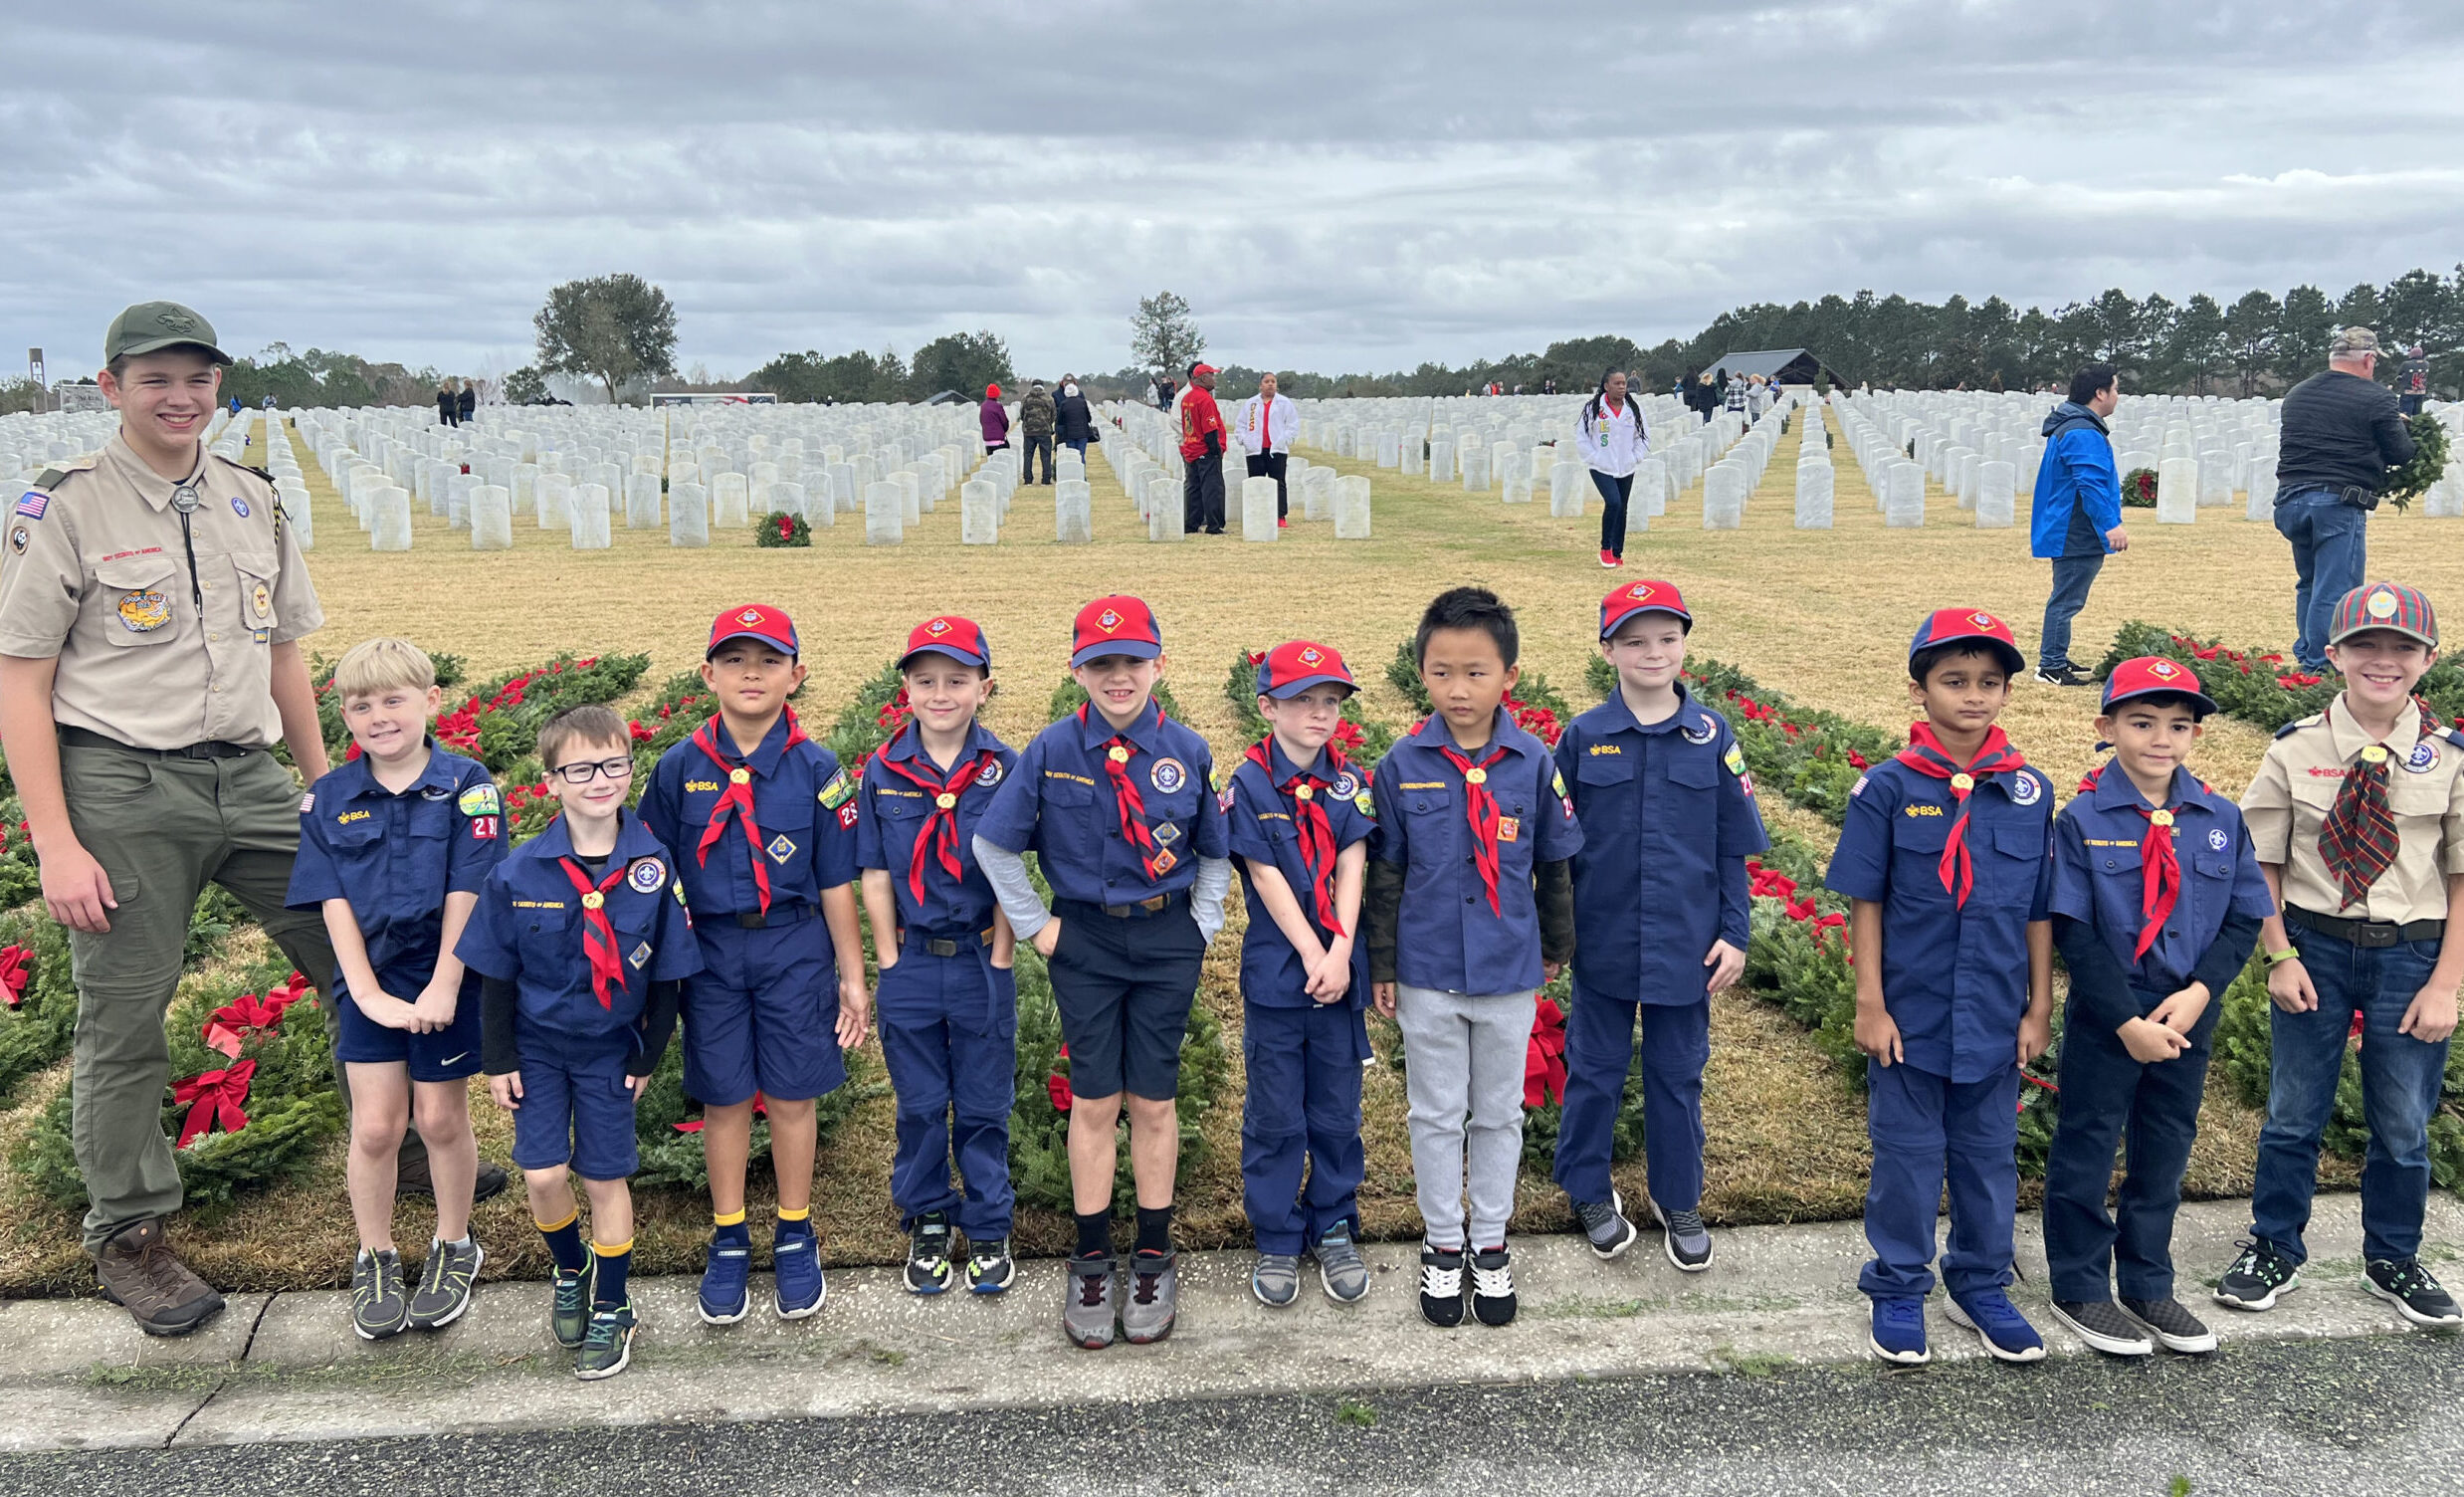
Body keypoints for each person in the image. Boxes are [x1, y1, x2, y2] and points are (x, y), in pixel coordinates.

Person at [0, 301, 467, 1339]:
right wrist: (56, 842)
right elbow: (21, 680)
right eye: (157, 378)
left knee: (368, 953)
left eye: (198, 379)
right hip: (122, 786)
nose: (180, 397)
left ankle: (392, 1161)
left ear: (219, 388)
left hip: (250, 777)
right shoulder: (65, 507)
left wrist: (325, 785)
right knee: (126, 1013)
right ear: (111, 385)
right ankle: (129, 1231)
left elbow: (285, 655)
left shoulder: (250, 499)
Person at [972, 595, 1232, 1349]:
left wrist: (1203, 926)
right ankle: (1091, 1255)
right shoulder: (1052, 751)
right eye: (1101, 663)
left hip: (1163, 936)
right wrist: (1036, 926)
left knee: (1153, 1098)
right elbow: (997, 846)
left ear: (1160, 664)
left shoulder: (1187, 749)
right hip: (1083, 939)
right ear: (1076, 669)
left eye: (1132, 661)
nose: (1118, 676)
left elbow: (1214, 849)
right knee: (1094, 1098)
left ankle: (1152, 1250)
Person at [2219, 582, 2464, 1328]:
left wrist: (2447, 983)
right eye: (2365, 645)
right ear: (2334, 655)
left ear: (2426, 660)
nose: (2382, 661)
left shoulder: (2449, 758)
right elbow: (2263, 861)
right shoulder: (2295, 748)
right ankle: (2274, 1248)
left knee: (2401, 1122)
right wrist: (2279, 955)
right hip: (2315, 947)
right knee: (2294, 1112)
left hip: (2411, 957)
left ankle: (2393, 1255)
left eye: (2401, 648)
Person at [1823, 609, 2055, 1367]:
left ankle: (1981, 1284)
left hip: (1993, 1014)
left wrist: (2039, 1005)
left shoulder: (2028, 792)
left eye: (1990, 682)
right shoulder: (1886, 790)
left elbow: (2039, 907)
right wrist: (1870, 1002)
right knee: (1907, 1158)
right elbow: (1868, 901)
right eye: (1954, 681)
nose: (1974, 696)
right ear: (1920, 687)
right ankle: (1896, 1284)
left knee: (1989, 1159)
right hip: (1912, 1014)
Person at [636, 605, 870, 1327]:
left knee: (795, 1094)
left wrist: (853, 978)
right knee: (725, 1097)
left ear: (795, 676)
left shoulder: (816, 768)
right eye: (734, 661)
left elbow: (836, 881)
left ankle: (795, 1228)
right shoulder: (679, 768)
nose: (751, 674)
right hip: (707, 953)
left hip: (793, 947)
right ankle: (729, 1232)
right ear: (707, 674)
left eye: (768, 661)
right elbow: (650, 868)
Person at [459, 704, 700, 1381]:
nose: (601, 779)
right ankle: (573, 1269)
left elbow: (667, 975)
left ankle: (614, 1305)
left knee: (604, 1175)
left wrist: (648, 1052)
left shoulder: (652, 863)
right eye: (582, 768)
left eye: (615, 764)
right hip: (536, 1050)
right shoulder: (518, 872)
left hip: (608, 1051)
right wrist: (498, 1057)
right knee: (541, 1174)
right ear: (551, 781)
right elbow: (496, 974)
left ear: (630, 768)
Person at [1366, 587, 1581, 1331]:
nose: (1459, 689)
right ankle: (1442, 1243)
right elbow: (1385, 873)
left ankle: (1490, 1243)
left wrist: (1556, 950)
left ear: (1509, 677)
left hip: (1508, 968)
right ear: (1421, 673)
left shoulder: (1533, 761)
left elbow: (1553, 866)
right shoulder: (1401, 764)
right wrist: (1383, 966)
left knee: (1498, 1114)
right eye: (1442, 672)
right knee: (1434, 1114)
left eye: (1476, 672)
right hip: (1426, 968)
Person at [2044, 658, 2270, 1357]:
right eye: (2141, 723)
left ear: (2196, 734)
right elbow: (2072, 932)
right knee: (2087, 1141)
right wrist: (2126, 1021)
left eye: (2178, 725)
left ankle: (2147, 1280)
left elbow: (2243, 918)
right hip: (2112, 1011)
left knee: (2166, 1146)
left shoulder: (2219, 817)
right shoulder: (2080, 820)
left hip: (2189, 1006)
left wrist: (2201, 993)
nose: (2160, 739)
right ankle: (2079, 1284)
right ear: (2105, 727)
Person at [286, 638, 503, 1342]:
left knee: (440, 1121)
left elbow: (469, 888)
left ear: (431, 701)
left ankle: (454, 1243)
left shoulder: (469, 785)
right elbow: (332, 902)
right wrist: (367, 994)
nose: (378, 716)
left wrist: (444, 984)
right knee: (377, 1126)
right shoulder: (328, 799)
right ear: (344, 715)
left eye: (393, 699)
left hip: (447, 975)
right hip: (371, 984)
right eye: (360, 704)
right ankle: (374, 1253)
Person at [1553, 581, 1764, 1271]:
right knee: (1594, 1069)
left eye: (1667, 638)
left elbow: (1732, 842)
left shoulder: (1711, 735)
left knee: (1678, 1075)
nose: (1654, 652)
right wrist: (1555, 935)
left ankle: (1678, 1198)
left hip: (1686, 943)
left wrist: (1734, 931)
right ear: (1608, 648)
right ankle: (1586, 1187)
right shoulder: (1584, 737)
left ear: (1684, 645)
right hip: (1605, 938)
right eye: (1636, 640)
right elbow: (1556, 850)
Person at [856, 616, 1021, 1297]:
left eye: (957, 680)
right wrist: (889, 957)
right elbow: (873, 872)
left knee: (984, 1101)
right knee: (920, 1101)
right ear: (906, 689)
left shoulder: (1007, 768)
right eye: (926, 681)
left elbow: (1012, 867)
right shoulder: (883, 771)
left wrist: (1006, 955)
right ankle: (927, 1214)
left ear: (984, 686)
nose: (941, 693)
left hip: (983, 957)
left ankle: (986, 1223)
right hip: (916, 960)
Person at [1228, 641, 1376, 1309]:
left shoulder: (1350, 779)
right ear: (1268, 707)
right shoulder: (1249, 783)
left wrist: (1341, 950)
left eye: (1331, 702)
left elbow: (1352, 861)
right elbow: (1264, 875)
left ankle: (1335, 1222)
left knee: (1337, 1111)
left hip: (1338, 977)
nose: (1320, 714)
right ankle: (1279, 1234)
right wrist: (1314, 955)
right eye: (1302, 701)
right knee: (1277, 1113)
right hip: (1281, 977)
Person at [2273, 328, 2417, 672]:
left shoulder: (2298, 393)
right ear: (2369, 360)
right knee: (2335, 590)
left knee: (2309, 583)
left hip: (2291, 498)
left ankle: (2308, 654)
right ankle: (2320, 667)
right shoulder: (2375, 396)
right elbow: (2401, 452)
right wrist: (2401, 427)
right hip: (2337, 501)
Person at [2029, 364, 2130, 688]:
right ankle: (2050, 665)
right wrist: (2110, 525)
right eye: (2115, 389)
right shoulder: (2083, 432)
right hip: (2076, 529)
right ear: (2099, 393)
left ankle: (2056, 655)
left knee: (2068, 596)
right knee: (2067, 599)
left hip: (2071, 527)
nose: (2117, 396)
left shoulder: (2076, 426)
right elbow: (2090, 484)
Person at [1574, 368, 1648, 570]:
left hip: (1626, 466)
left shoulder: (1632, 409)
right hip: (1601, 467)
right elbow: (1582, 438)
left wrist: (1635, 457)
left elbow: (1643, 437)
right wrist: (1595, 457)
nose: (1622, 387)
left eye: (1624, 383)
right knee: (1613, 503)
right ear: (1606, 386)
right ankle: (1605, 548)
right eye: (1617, 383)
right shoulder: (1594, 409)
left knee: (1622, 508)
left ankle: (1617, 551)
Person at [1234, 372, 1298, 529]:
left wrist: (1284, 440)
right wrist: (1245, 440)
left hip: (1276, 450)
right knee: (1256, 482)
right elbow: (1241, 425)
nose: (1270, 384)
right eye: (1267, 381)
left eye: (1273, 381)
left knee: (1278, 482)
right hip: (1255, 449)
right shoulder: (1251, 404)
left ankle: (1280, 515)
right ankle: (1257, 513)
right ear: (1260, 385)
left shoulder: (1284, 403)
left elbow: (1292, 425)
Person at [1179, 363, 1228, 535]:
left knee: (1194, 488)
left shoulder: (1187, 398)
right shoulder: (1205, 399)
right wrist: (1216, 451)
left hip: (1191, 449)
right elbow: (1210, 429)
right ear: (1202, 378)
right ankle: (1214, 526)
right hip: (1205, 451)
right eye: (1211, 375)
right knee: (1212, 489)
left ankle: (1192, 524)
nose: (1214, 379)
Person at [1019, 380, 1057, 486]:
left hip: (1028, 431)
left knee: (1028, 455)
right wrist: (1047, 423)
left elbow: (1022, 414)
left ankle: (1028, 479)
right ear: (1042, 387)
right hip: (1044, 431)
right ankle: (1046, 479)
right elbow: (1054, 415)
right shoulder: (1049, 399)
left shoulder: (1026, 398)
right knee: (1045, 455)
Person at [1054, 376, 1099, 463]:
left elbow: (1060, 420)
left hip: (1069, 434)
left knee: (1073, 455)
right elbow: (1089, 418)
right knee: (1081, 454)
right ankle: (1082, 475)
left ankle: (1075, 474)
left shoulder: (1063, 404)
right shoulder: (1082, 402)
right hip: (1082, 434)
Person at [978, 383, 1011, 456]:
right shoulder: (997, 406)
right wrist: (1004, 430)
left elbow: (981, 421)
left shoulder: (983, 406)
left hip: (987, 441)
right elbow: (1004, 422)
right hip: (998, 441)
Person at [2397, 344, 2430, 417]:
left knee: (2405, 415)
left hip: (2408, 392)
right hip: (2421, 392)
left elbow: (2399, 375)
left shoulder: (2406, 364)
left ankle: (2405, 428)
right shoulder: (2427, 364)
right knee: (2417, 415)